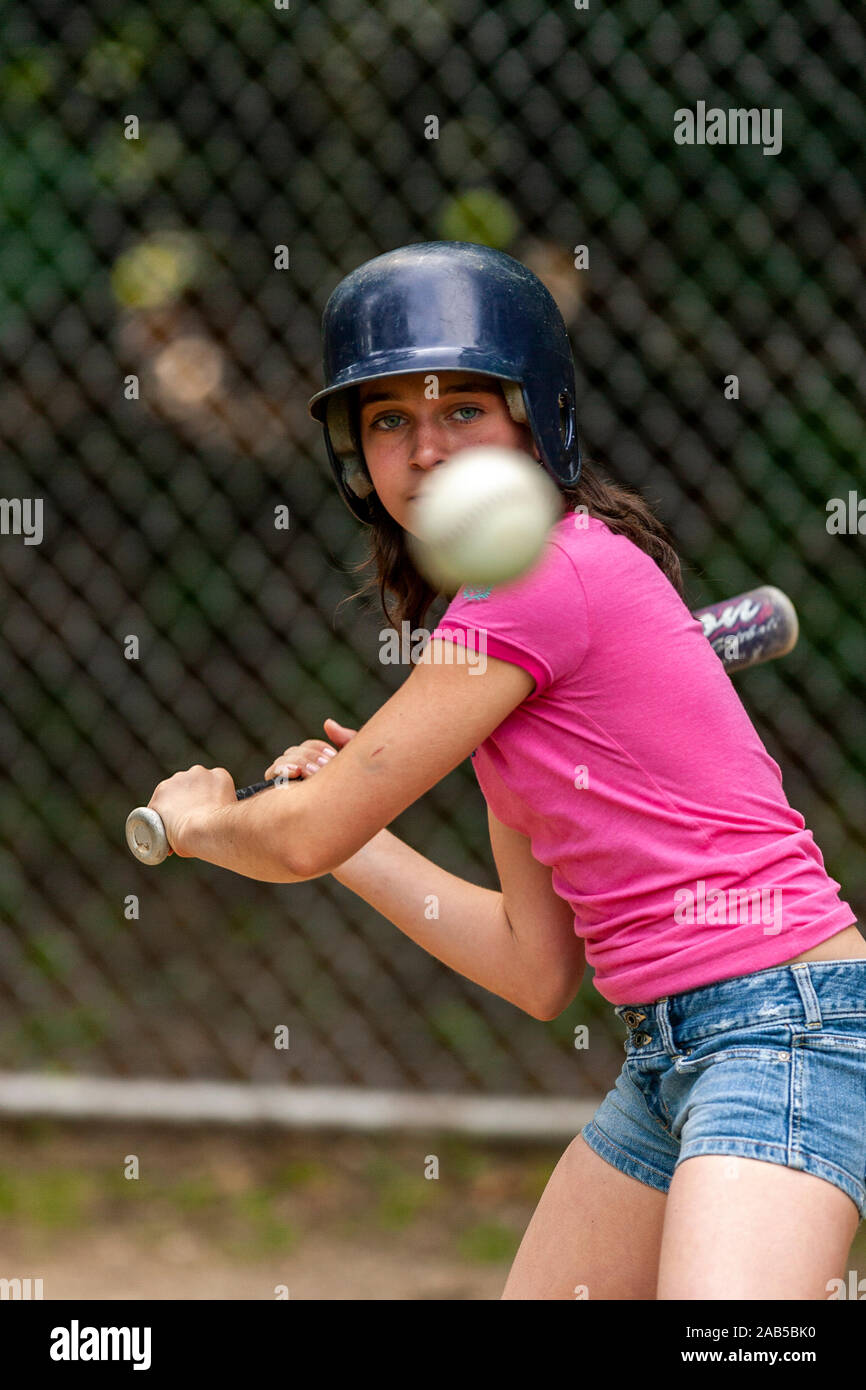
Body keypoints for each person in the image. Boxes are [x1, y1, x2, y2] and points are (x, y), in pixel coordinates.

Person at [148, 241, 866, 1300]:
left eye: (461, 412)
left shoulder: (535, 580)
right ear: (357, 456)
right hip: (665, 1056)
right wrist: (356, 843)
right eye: (390, 419)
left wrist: (207, 820)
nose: (426, 448)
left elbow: (296, 837)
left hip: (780, 1028)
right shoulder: (502, 677)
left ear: (537, 421)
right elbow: (535, 967)